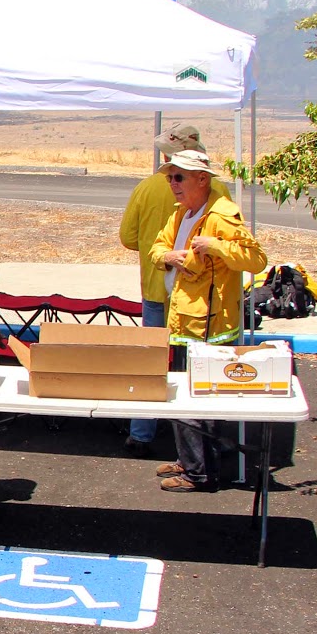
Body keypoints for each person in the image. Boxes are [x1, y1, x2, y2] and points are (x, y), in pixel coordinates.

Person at [148, 149, 267, 493]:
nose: (173, 184)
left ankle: (199, 473)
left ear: (202, 179)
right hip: (184, 320)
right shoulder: (182, 214)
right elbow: (157, 248)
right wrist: (168, 256)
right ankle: (189, 460)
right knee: (183, 397)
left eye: (179, 177)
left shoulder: (222, 216)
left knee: (197, 400)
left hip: (210, 327)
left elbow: (256, 260)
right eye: (170, 177)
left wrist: (216, 246)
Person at [117, 124, 230, 457]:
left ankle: (142, 432)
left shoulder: (147, 187)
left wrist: (160, 251)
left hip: (157, 289)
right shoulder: (217, 188)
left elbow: (128, 238)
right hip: (201, 295)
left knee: (151, 360)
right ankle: (197, 439)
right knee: (198, 363)